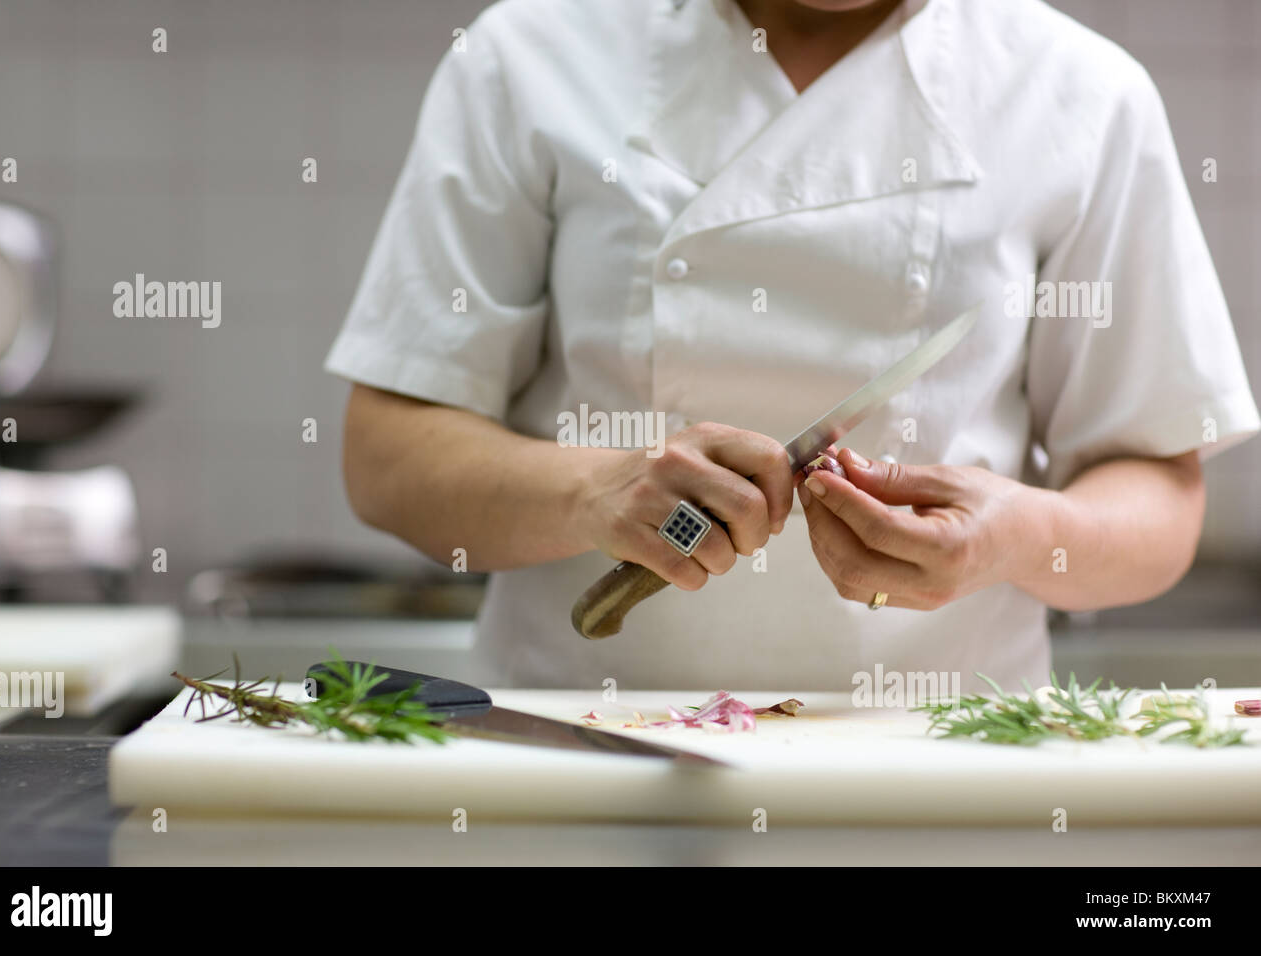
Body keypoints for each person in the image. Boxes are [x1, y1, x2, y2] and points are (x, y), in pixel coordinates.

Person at [325, 0, 1259, 691]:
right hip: (589, 756)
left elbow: (1157, 494)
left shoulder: (1077, 92)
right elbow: (387, 456)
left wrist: (1013, 537)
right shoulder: (527, 58)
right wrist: (596, 492)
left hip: (939, 771)